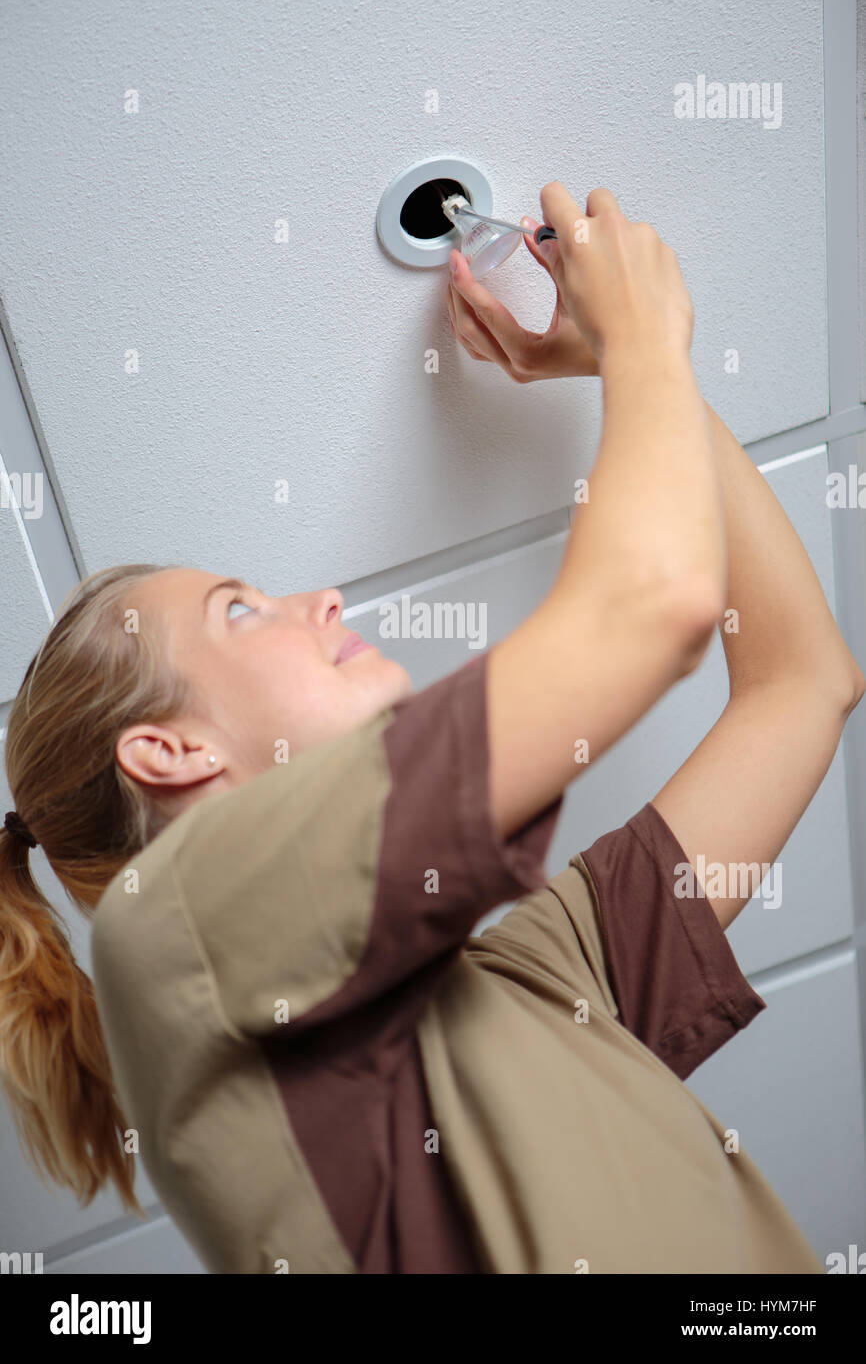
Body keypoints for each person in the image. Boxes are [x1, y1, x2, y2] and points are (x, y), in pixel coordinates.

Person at [0, 183, 861, 1274]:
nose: (317, 599)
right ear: (168, 753)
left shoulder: (533, 981)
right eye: (239, 608)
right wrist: (644, 336)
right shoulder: (164, 941)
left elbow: (799, 682)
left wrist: (627, 373)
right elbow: (652, 608)